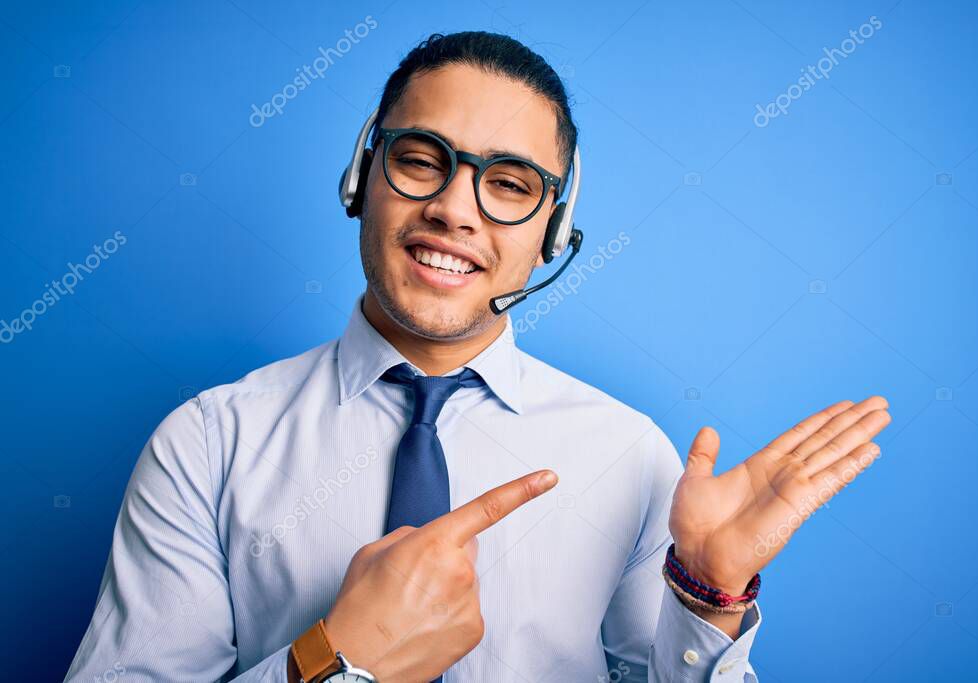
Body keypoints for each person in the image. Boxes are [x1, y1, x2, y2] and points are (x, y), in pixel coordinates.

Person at [65, 31, 891, 682]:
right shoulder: (207, 444)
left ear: (553, 235)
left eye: (509, 184)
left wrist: (708, 600)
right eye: (421, 161)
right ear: (363, 176)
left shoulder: (630, 455)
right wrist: (333, 662)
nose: (456, 209)